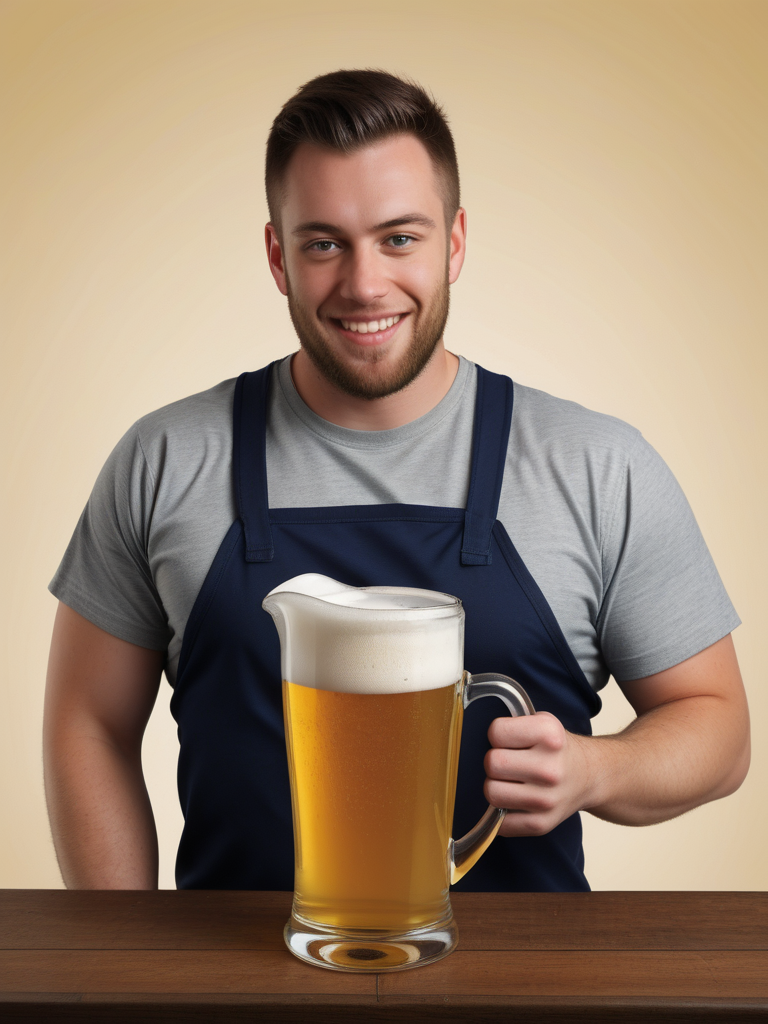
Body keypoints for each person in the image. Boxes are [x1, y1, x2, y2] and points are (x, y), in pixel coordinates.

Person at [44, 69, 749, 892]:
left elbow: (720, 731)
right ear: (278, 256)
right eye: (323, 243)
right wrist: (130, 966)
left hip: (528, 994)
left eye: (399, 238)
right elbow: (88, 724)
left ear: (454, 242)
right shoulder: (164, 459)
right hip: (235, 986)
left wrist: (597, 771)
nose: (364, 284)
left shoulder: (597, 467)